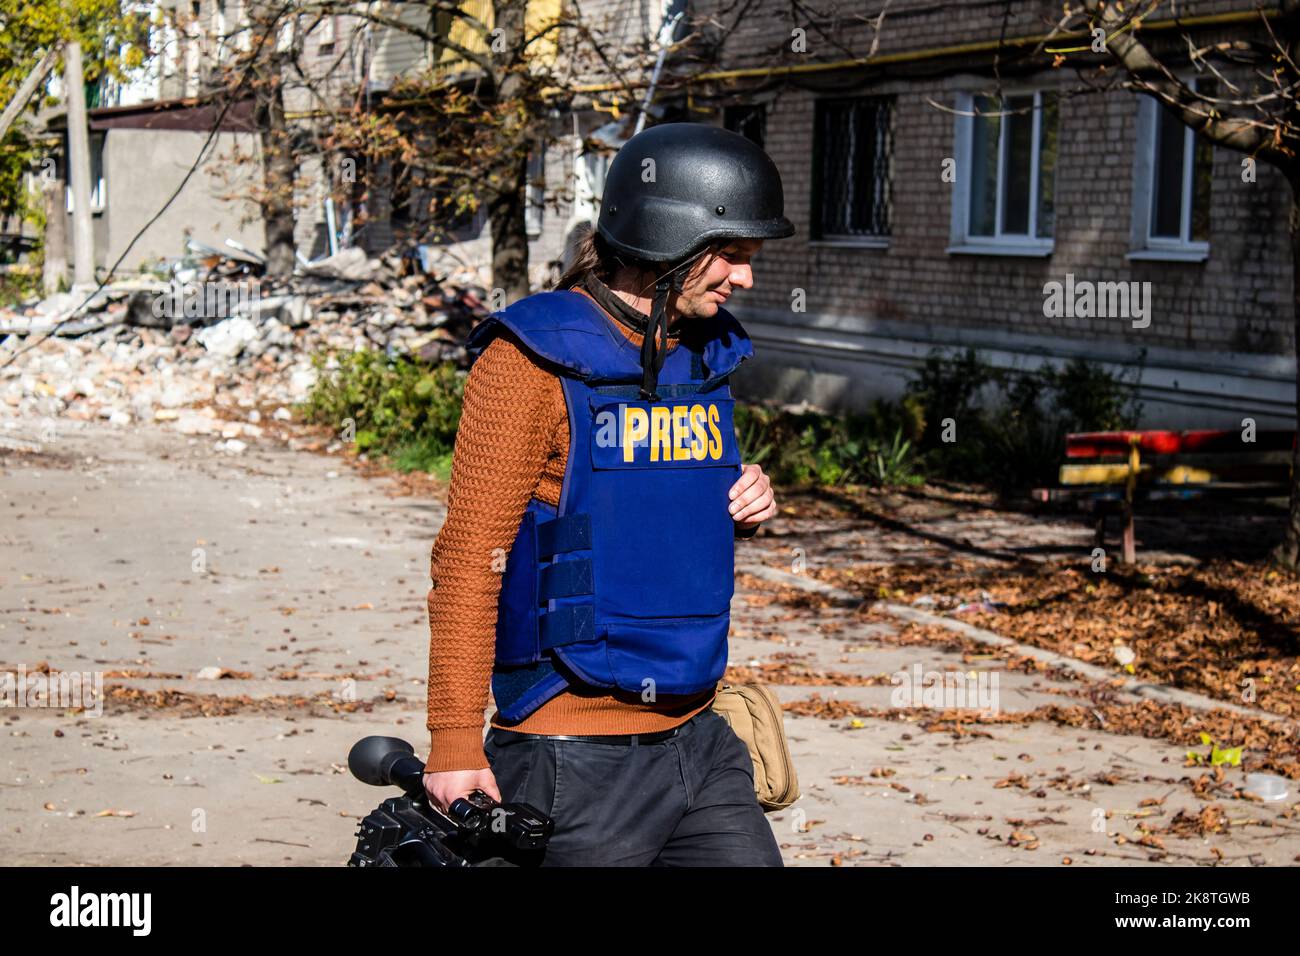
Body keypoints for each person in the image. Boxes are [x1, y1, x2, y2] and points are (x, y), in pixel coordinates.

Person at [421, 122, 796, 866]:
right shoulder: (530, 359)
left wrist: (747, 496)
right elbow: (471, 556)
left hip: (699, 737)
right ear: (666, 241)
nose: (746, 278)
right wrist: (455, 739)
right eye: (731, 256)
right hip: (569, 750)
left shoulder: (703, 353)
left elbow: (661, 494)